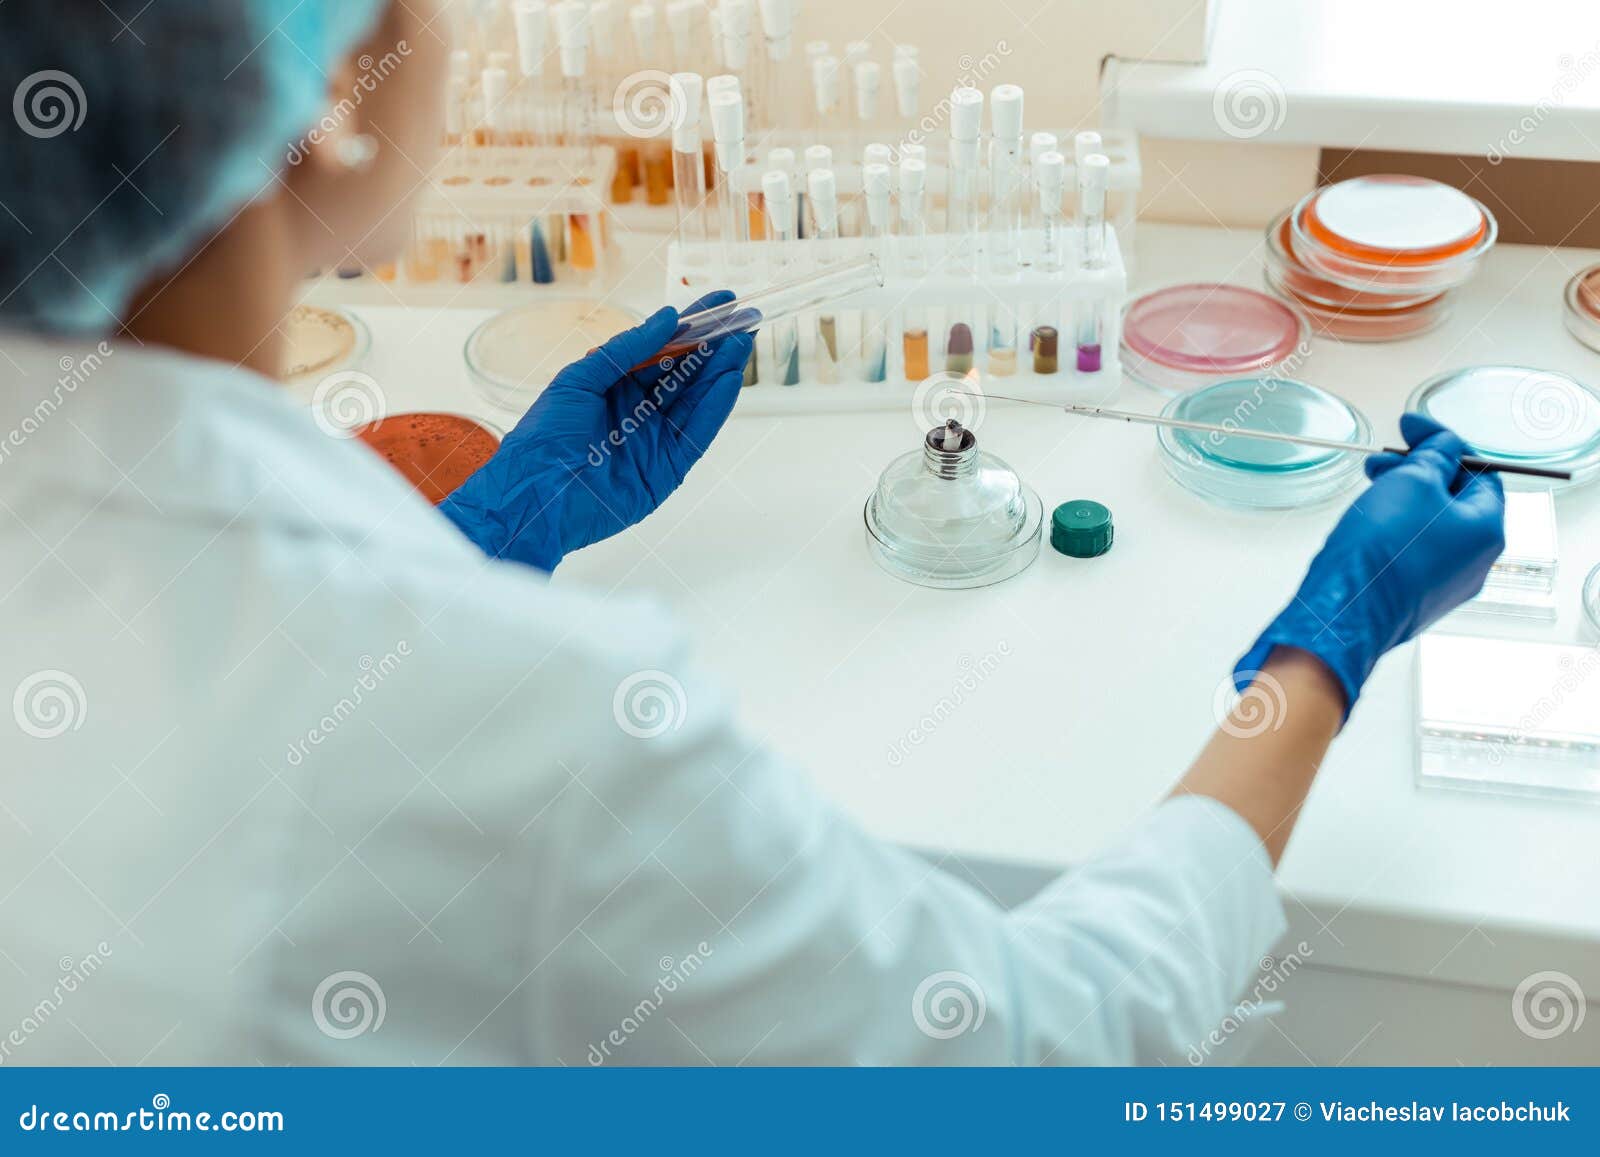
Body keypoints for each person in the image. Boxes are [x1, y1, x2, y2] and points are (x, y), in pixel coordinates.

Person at [0, 1, 1503, 1066]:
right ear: (322, 111)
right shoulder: (537, 731)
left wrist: (486, 538)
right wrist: (1327, 641)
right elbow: (1048, 1048)